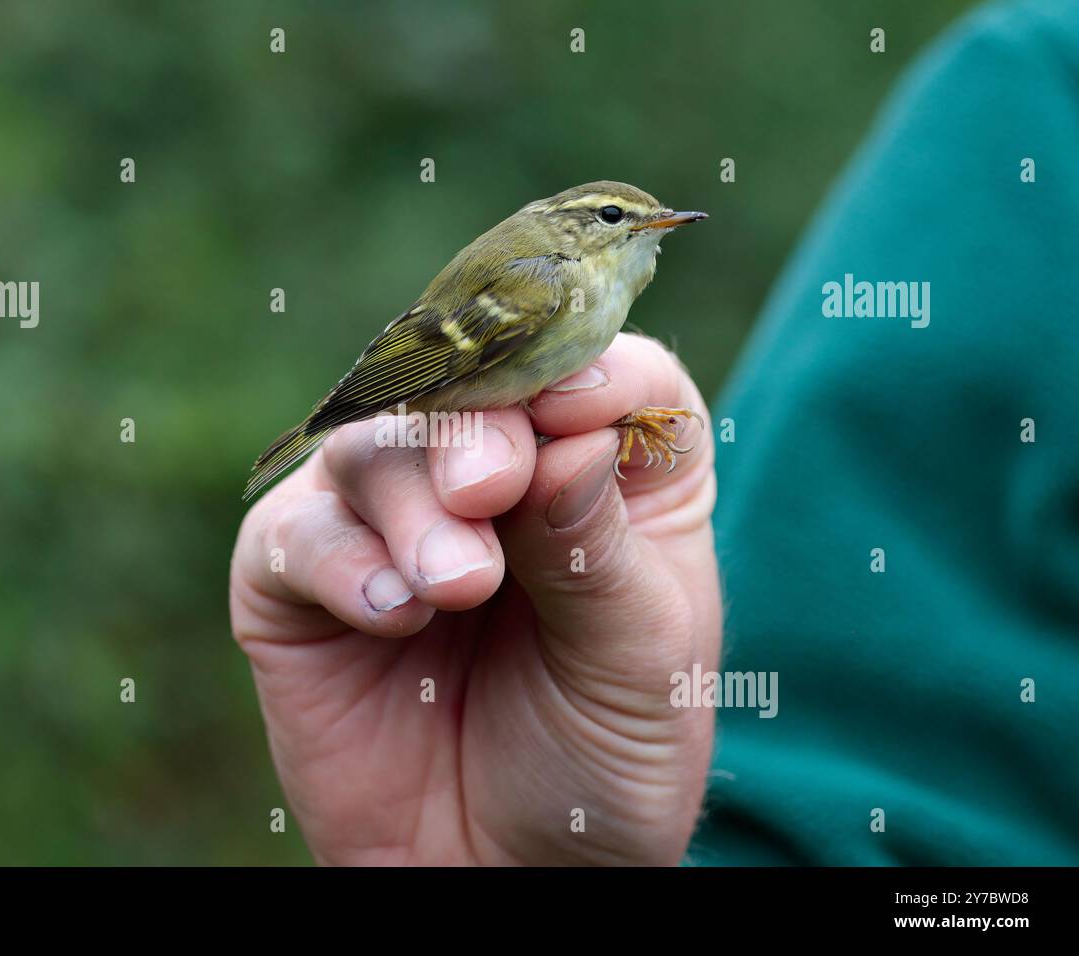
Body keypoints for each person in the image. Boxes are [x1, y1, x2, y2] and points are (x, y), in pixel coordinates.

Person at [229, 0, 1078, 865]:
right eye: (613, 218)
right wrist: (340, 416)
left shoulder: (602, 298)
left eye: (644, 220)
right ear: (572, 225)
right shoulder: (545, 282)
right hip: (430, 401)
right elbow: (434, 354)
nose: (638, 230)